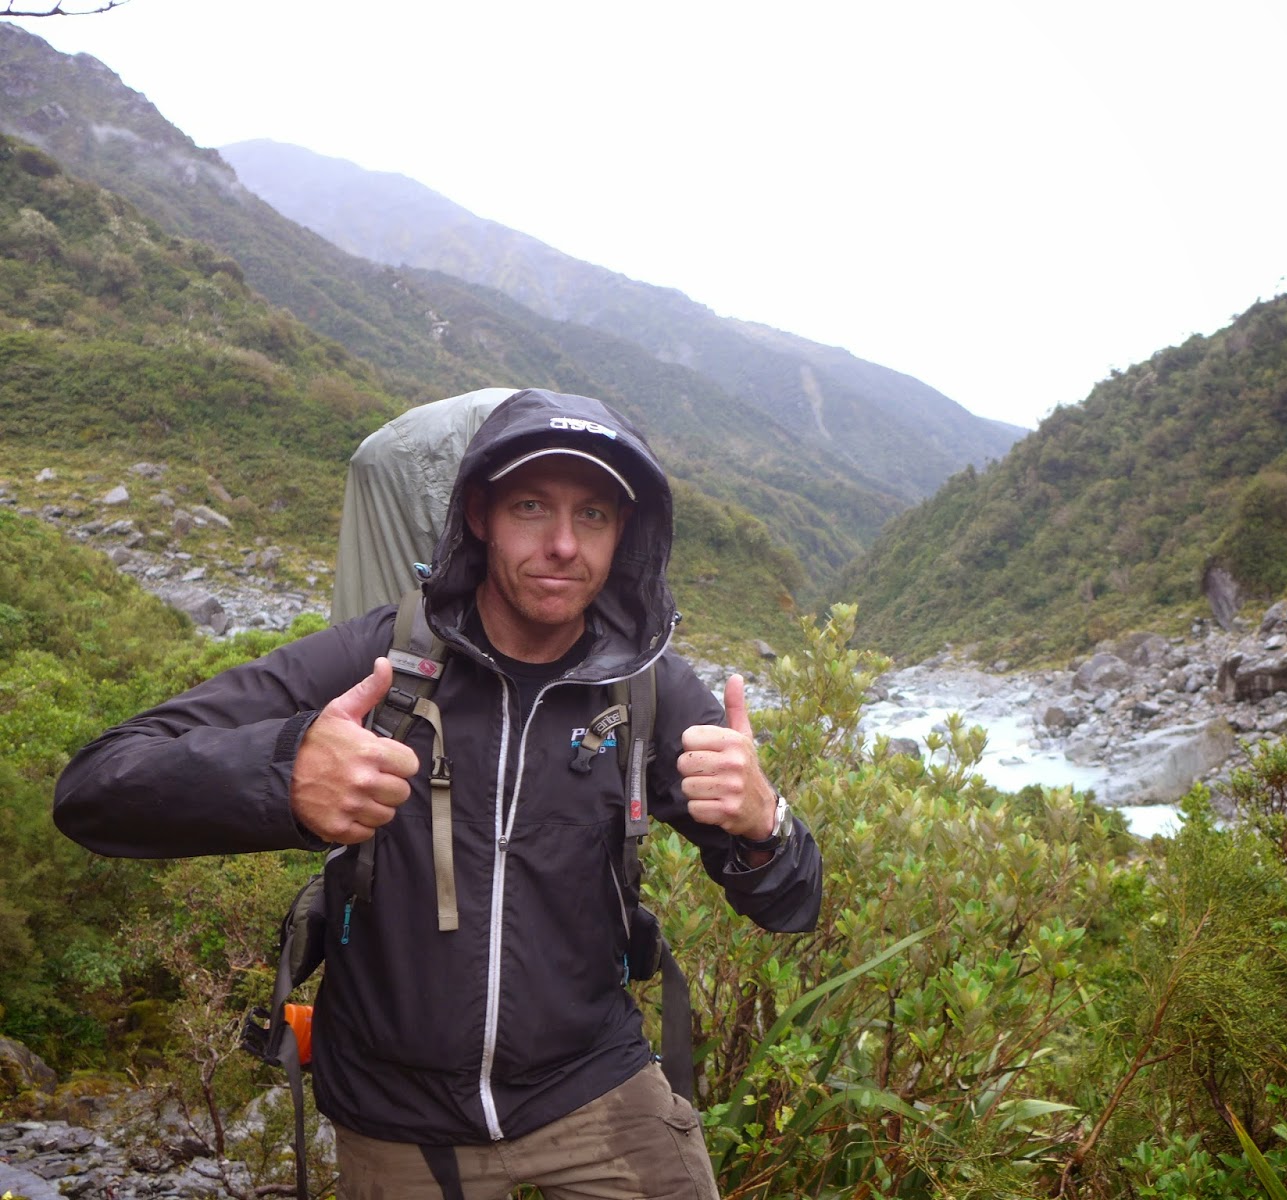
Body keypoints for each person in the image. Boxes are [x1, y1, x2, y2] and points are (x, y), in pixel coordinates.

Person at [54, 388, 823, 1200]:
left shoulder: (646, 692)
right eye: (533, 506)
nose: (563, 544)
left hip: (594, 1088)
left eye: (593, 515)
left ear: (625, 533)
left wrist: (766, 825)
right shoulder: (379, 660)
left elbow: (793, 906)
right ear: (482, 515)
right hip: (399, 1116)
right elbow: (96, 786)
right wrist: (284, 773)